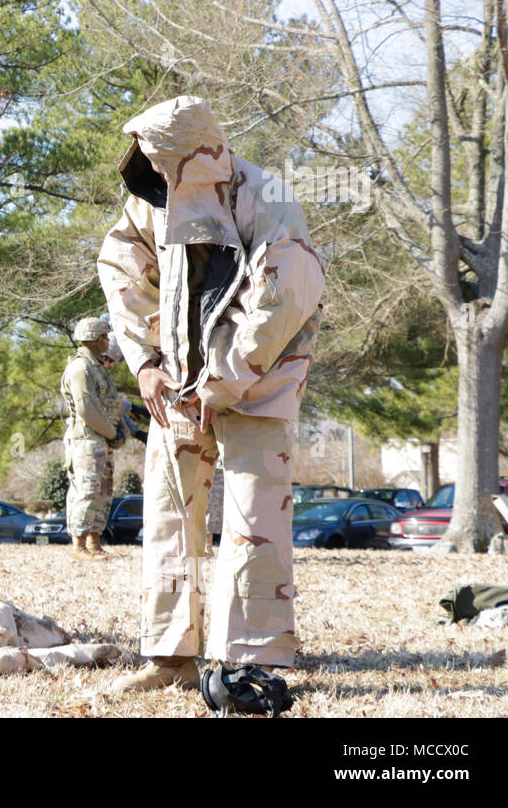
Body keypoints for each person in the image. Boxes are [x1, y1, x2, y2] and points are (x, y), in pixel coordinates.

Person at [97, 96, 323, 694]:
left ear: (194, 152)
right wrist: (145, 363)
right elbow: (121, 270)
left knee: (255, 519)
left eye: (160, 156)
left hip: (257, 384)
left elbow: (284, 295)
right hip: (175, 385)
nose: (148, 165)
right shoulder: (148, 199)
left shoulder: (267, 195)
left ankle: (258, 660)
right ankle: (171, 658)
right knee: (170, 518)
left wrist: (223, 381)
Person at [60, 316, 123, 558]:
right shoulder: (80, 368)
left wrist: (115, 434)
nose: (108, 341)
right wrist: (111, 432)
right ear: (95, 340)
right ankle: (79, 546)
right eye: (105, 337)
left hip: (101, 440)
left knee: (103, 492)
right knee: (86, 491)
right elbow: (87, 408)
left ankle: (95, 544)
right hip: (86, 439)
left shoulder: (97, 367)